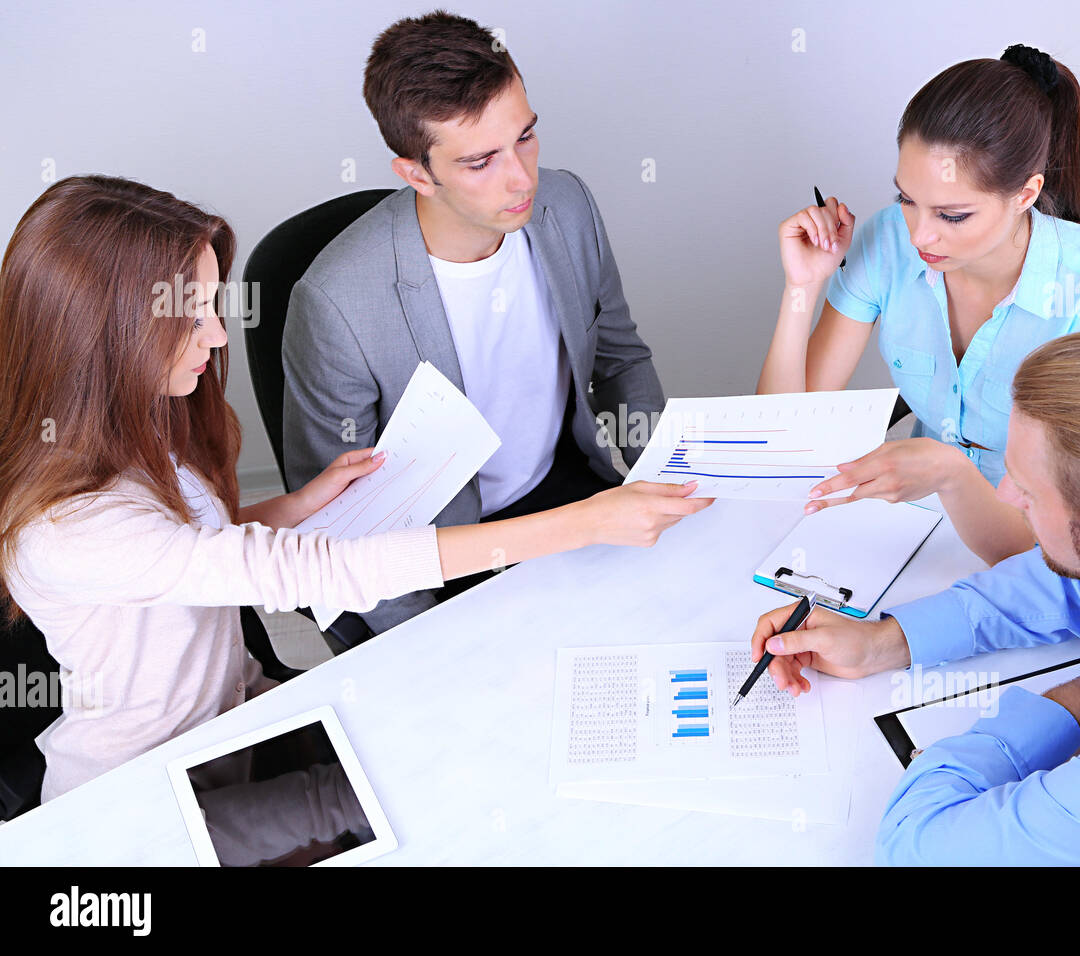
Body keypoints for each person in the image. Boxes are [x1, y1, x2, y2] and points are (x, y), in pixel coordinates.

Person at [0, 175, 710, 802]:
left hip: (239, 722)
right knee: (457, 785)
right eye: (191, 316)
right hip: (149, 790)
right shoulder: (72, 527)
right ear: (104, 335)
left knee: (460, 750)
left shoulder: (135, 429)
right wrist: (583, 522)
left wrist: (300, 506)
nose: (217, 335)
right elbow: (320, 569)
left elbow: (190, 551)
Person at [750, 327, 1080, 864]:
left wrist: (1076, 702)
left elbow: (917, 846)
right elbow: (1078, 584)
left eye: (1027, 487)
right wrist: (887, 642)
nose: (1006, 494)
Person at [282, 11, 672, 635]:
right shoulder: (335, 305)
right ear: (416, 174)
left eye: (525, 136)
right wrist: (421, 646)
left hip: (564, 485)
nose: (522, 178)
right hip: (438, 547)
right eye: (480, 161)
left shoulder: (568, 205)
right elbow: (343, 522)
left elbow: (620, 359)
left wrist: (664, 478)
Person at [757, 45, 1080, 566]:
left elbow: (1074, 544)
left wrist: (951, 474)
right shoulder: (888, 243)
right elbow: (782, 431)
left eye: (953, 215)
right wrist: (801, 287)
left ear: (1026, 194)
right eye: (907, 199)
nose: (921, 234)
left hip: (1041, 546)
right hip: (915, 522)